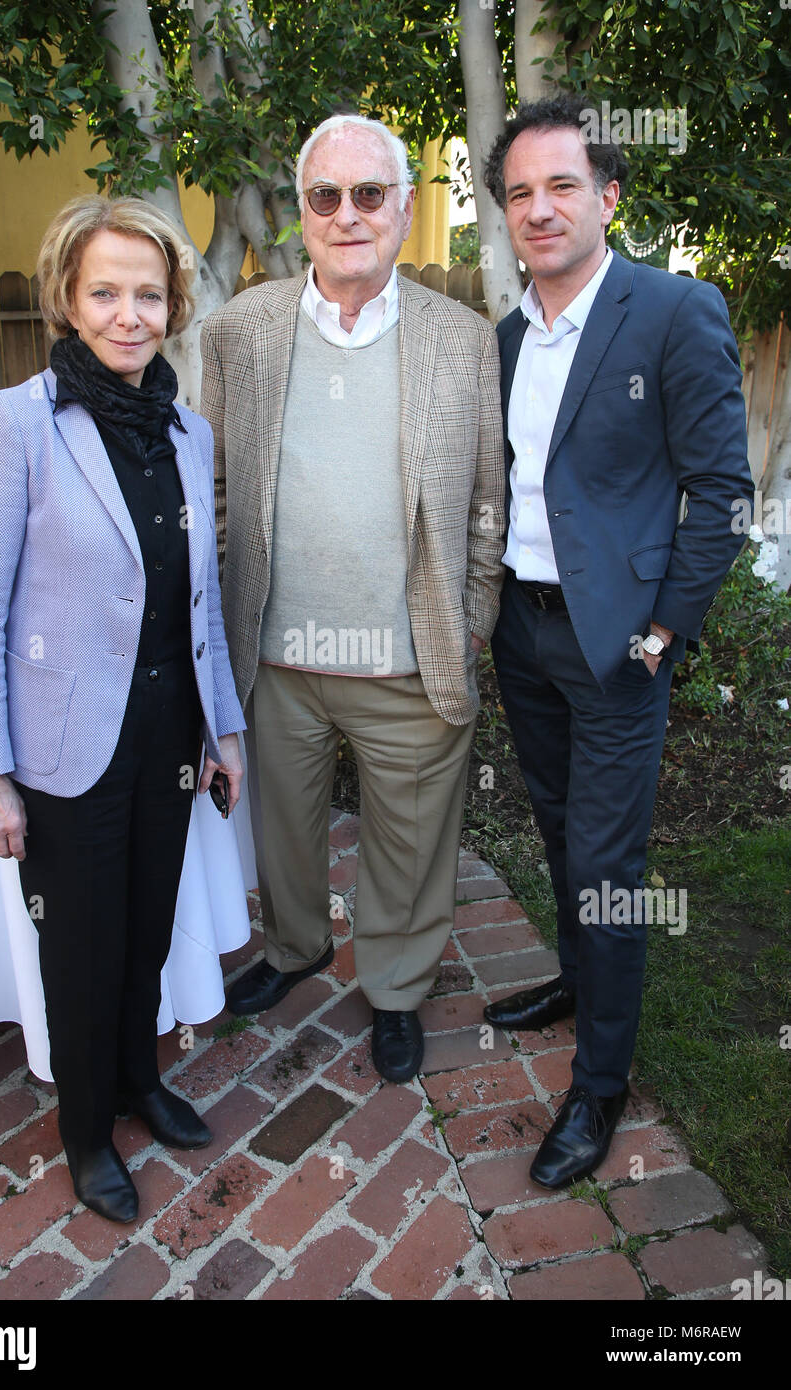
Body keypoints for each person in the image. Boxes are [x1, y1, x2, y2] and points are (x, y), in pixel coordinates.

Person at [0, 195, 245, 1222]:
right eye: (105, 292)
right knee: (78, 946)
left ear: (174, 305)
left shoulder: (187, 429)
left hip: (168, 731)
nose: (129, 314)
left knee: (147, 927)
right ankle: (84, 1135)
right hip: (64, 747)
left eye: (148, 294)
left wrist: (223, 730)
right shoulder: (12, 425)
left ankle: (138, 1081)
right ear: (67, 300)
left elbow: (201, 600)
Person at [481, 96, 753, 1186]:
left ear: (608, 196)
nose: (539, 210)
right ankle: (576, 981)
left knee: (608, 867)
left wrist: (659, 639)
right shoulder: (507, 339)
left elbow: (721, 492)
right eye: (518, 194)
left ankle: (599, 1091)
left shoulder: (673, 310)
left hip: (617, 651)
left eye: (560, 186)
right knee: (556, 830)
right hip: (523, 630)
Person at [201, 113, 505, 1083]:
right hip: (277, 654)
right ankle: (293, 949)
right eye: (324, 196)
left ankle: (399, 985)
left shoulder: (462, 340)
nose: (346, 215)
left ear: (404, 207)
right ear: (301, 211)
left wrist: (469, 621)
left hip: (408, 655)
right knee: (282, 829)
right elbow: (209, 485)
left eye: (368, 193)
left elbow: (488, 505)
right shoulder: (239, 329)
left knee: (411, 839)